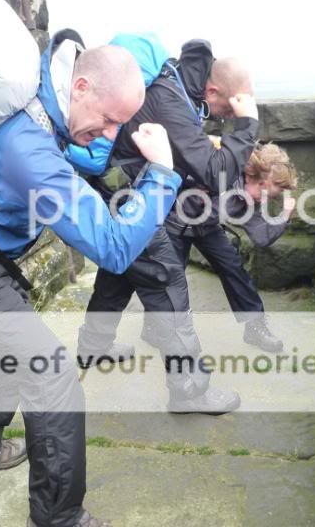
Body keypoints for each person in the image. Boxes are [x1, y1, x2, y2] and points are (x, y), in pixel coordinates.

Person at [0, 30, 182, 527]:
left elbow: (69, 153)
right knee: (52, 376)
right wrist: (162, 174)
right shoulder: (29, 144)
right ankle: (58, 517)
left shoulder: (37, 105)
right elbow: (113, 247)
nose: (112, 134)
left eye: (122, 124)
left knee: (10, 353)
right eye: (111, 120)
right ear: (82, 86)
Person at [76, 39, 259, 415]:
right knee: (167, 283)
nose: (225, 114)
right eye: (228, 105)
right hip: (128, 195)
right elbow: (217, 171)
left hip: (112, 189)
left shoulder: (176, 89)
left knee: (119, 276)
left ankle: (92, 348)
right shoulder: (170, 98)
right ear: (212, 90)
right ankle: (189, 390)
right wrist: (247, 124)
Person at [166, 143, 298, 352]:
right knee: (170, 279)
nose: (265, 200)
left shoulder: (250, 200)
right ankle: (159, 329)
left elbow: (261, 237)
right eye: (268, 194)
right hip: (174, 226)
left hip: (206, 229)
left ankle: (255, 328)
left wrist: (283, 216)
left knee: (234, 268)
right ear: (262, 182)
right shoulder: (221, 172)